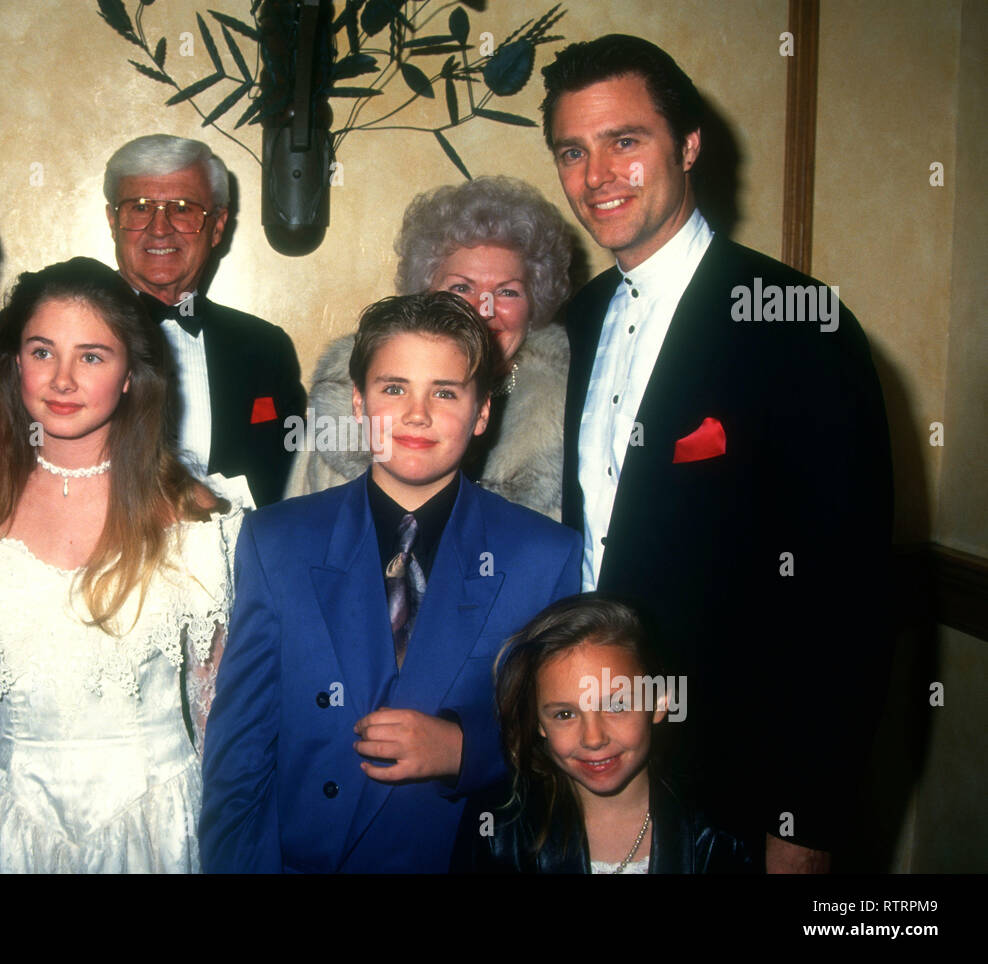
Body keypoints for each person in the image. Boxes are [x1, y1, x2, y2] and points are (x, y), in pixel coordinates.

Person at [540, 34, 893, 872]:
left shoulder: (797, 322)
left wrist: (802, 824)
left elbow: (844, 601)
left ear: (689, 145)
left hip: (734, 789)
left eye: (626, 141)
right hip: (578, 782)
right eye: (573, 152)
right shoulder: (572, 326)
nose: (598, 177)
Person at [199, 291, 582, 873]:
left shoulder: (541, 555)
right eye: (393, 388)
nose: (416, 414)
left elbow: (568, 733)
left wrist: (462, 749)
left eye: (445, 392)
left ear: (482, 413)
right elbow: (239, 757)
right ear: (358, 404)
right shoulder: (277, 541)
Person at [0, 257, 241, 873]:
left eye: (92, 356)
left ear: (130, 376)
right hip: (11, 826)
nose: (62, 380)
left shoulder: (191, 512)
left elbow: (215, 699)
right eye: (43, 352)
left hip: (156, 824)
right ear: (17, 363)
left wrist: (230, 843)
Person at [286, 176, 573, 520]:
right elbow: (297, 538)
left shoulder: (565, 416)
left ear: (534, 305)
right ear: (423, 293)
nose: (483, 309)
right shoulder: (344, 396)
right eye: (462, 286)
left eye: (508, 291)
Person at [454, 595, 753, 873]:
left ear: (660, 702)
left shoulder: (720, 834)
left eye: (616, 705)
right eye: (565, 714)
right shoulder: (498, 831)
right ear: (539, 723)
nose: (594, 739)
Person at [103, 133, 306, 508]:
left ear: (217, 227)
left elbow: (290, 485)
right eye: (141, 207)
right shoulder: (62, 336)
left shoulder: (265, 348)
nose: (159, 228)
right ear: (113, 220)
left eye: (182, 208)